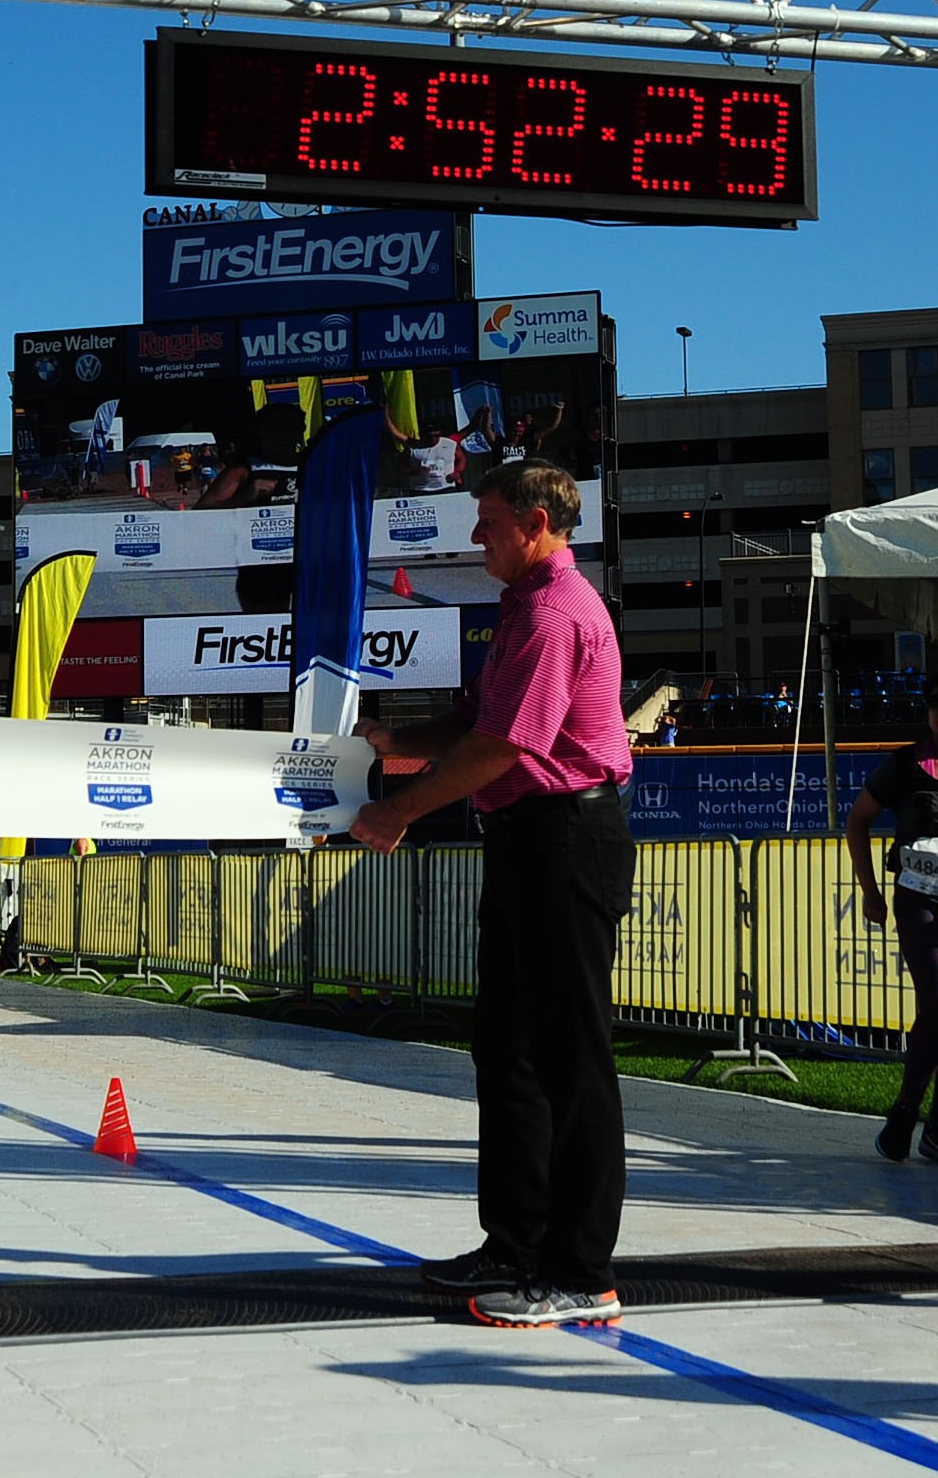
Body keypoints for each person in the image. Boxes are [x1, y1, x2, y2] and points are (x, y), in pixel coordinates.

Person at [349, 461, 634, 1330]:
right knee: (505, 1050)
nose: (477, 537)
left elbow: (504, 746)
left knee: (571, 1058)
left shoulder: (554, 612)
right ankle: (516, 1242)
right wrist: (391, 737)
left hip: (565, 839)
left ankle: (581, 1269)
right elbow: (475, 719)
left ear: (536, 520)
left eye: (489, 521)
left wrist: (398, 810)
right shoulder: (522, 606)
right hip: (526, 843)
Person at [845, 685, 938, 1164]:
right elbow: (857, 821)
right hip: (919, 899)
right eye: (937, 703)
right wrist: (870, 892)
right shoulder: (904, 765)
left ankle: (937, 1129)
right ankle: (905, 1113)